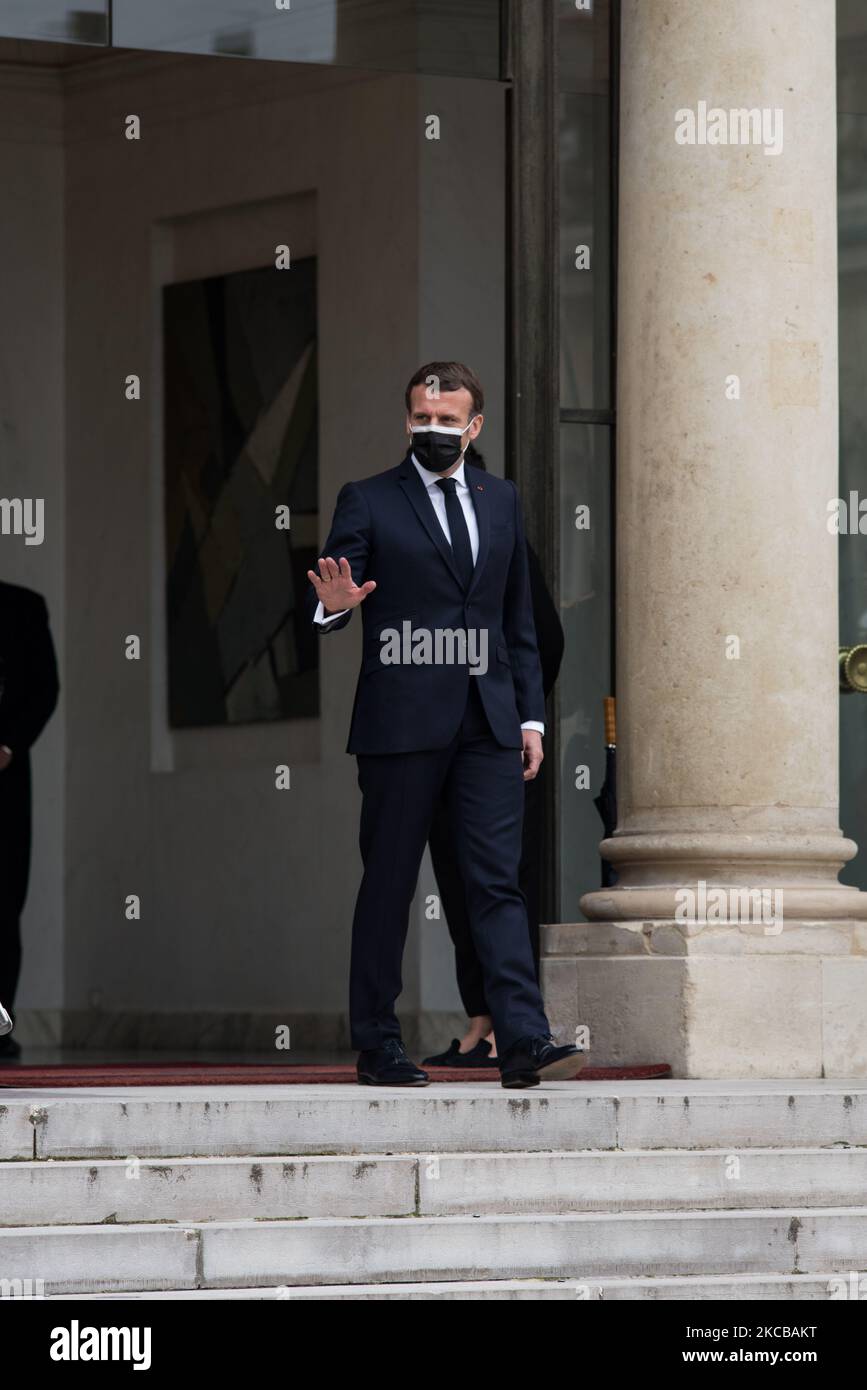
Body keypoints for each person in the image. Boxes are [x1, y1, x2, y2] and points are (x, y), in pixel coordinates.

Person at [307, 361, 583, 1088]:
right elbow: (337, 589)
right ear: (407, 421)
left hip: (488, 724)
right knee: (390, 881)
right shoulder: (367, 499)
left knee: (496, 883)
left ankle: (522, 1037)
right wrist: (334, 604)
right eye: (420, 420)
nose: (432, 431)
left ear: (474, 426)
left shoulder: (501, 501)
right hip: (401, 724)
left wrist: (530, 716)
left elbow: (516, 619)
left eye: (446, 421)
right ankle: (377, 1043)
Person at [423, 442, 564, 1068]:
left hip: (494, 741)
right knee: (453, 878)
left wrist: (514, 715)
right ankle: (482, 1018)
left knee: (496, 883)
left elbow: (537, 635)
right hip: (431, 737)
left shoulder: (495, 522)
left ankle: (513, 1026)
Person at [0, 581, 60, 1063]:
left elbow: (43, 687)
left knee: (3, 898)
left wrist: (7, 745)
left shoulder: (22, 606)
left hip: (3, 775)